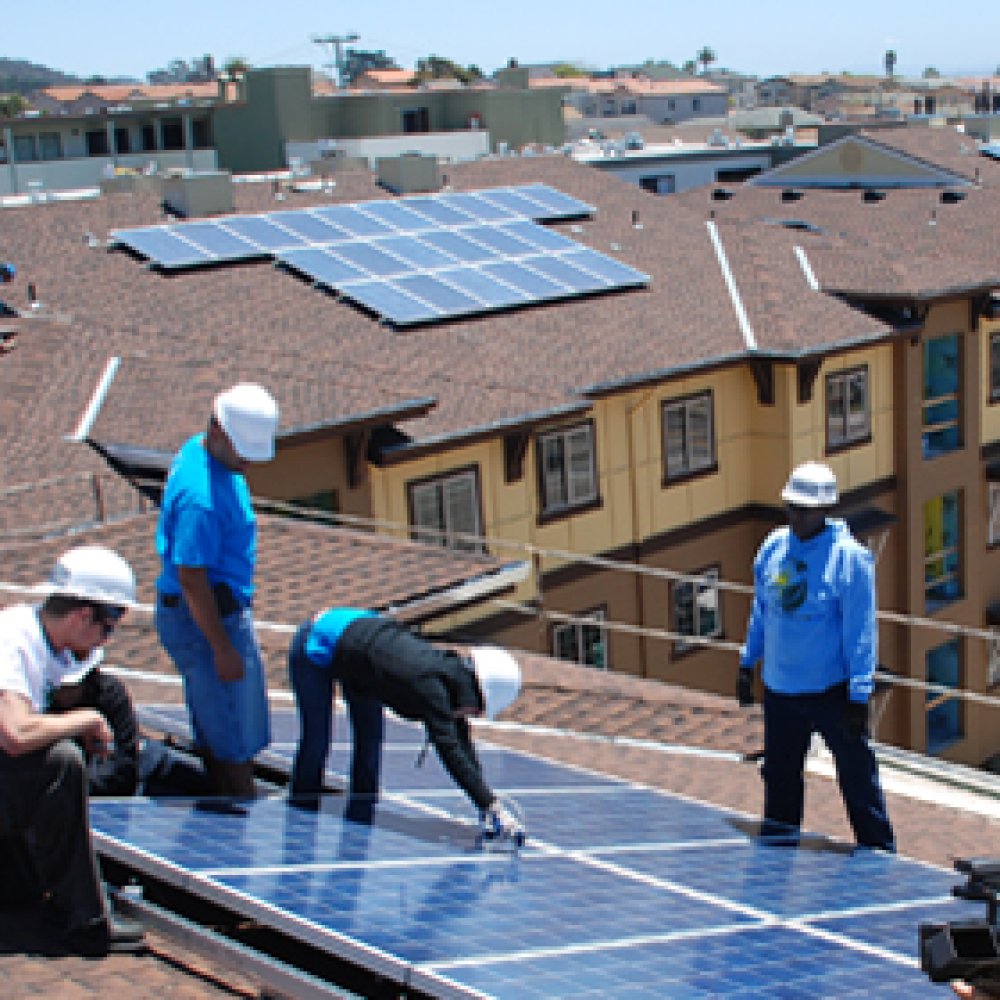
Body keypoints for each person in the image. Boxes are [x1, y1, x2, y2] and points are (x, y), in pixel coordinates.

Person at [737, 461, 895, 852]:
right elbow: (763, 610)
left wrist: (859, 695)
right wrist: (747, 661)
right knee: (780, 777)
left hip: (831, 692)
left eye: (805, 509)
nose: (796, 516)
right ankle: (775, 858)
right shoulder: (774, 547)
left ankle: (880, 854)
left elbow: (860, 631)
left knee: (857, 778)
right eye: (791, 507)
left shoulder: (849, 558)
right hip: (780, 690)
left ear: (825, 510)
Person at [0, 545, 145, 955]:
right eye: (110, 623)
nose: (108, 636)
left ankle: (33, 885)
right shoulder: (12, 641)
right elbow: (15, 734)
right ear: (83, 615)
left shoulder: (39, 642)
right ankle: (84, 918)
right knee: (60, 762)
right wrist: (86, 719)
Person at [288, 607, 524, 838]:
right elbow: (450, 748)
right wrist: (490, 805)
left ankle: (361, 810)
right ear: (474, 694)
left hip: (361, 651)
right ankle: (302, 814)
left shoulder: (449, 677)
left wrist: (486, 803)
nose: (473, 716)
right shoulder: (429, 685)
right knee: (317, 738)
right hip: (319, 637)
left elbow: (462, 742)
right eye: (478, 711)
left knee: (369, 737)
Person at [155, 383, 279, 797]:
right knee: (233, 735)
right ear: (220, 432)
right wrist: (222, 647)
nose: (247, 462)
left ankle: (229, 801)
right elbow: (192, 578)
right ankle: (240, 812)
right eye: (242, 451)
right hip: (206, 622)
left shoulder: (203, 453)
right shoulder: (201, 498)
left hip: (214, 614)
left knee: (221, 723)